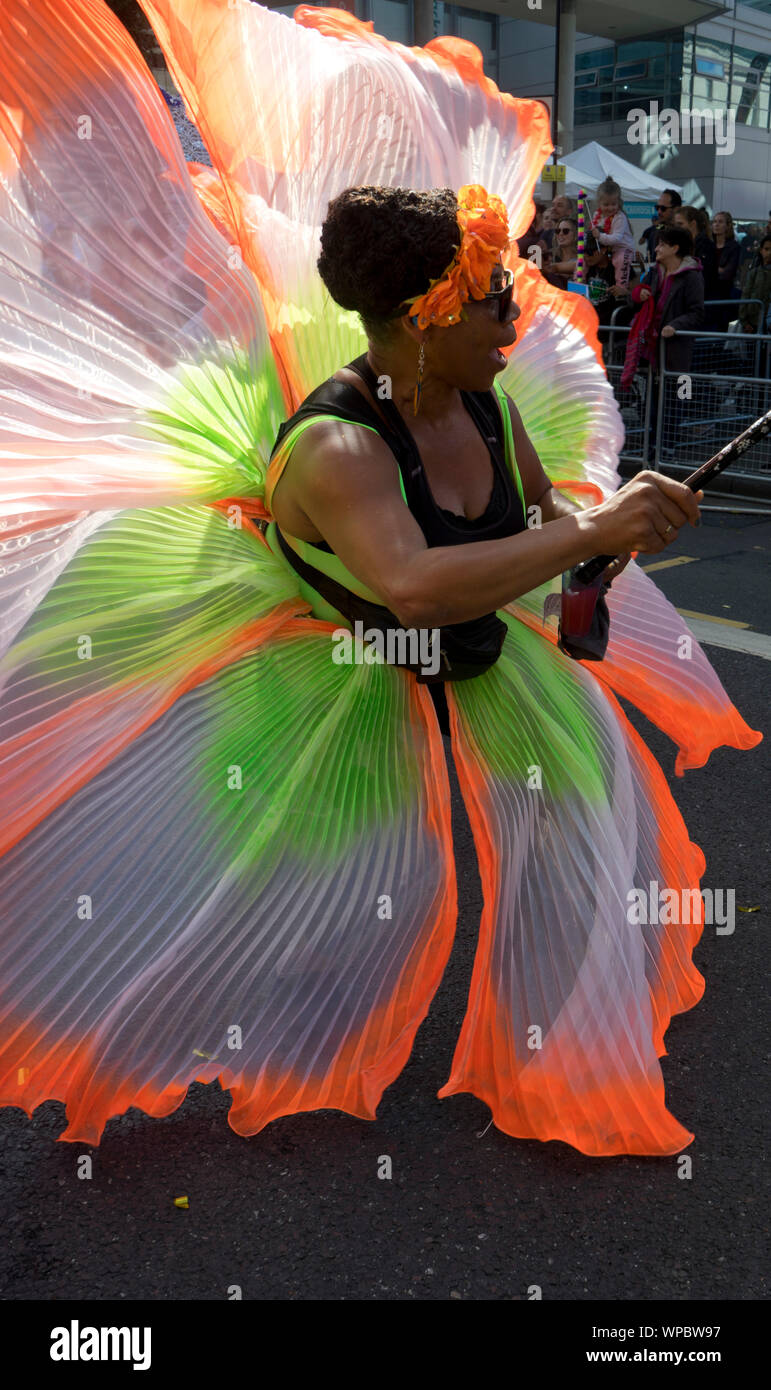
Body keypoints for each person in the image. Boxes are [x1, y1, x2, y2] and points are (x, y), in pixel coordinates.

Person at [0, 0, 761, 1160]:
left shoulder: (492, 408)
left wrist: (624, 524)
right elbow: (410, 589)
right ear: (418, 324)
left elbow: (555, 531)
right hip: (337, 661)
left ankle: (558, 1029)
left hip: (472, 651)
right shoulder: (339, 448)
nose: (520, 311)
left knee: (580, 823)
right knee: (307, 874)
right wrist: (575, 536)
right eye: (494, 299)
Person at [623, 226, 705, 454]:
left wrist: (675, 326)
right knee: (652, 400)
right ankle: (652, 445)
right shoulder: (655, 271)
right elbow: (636, 294)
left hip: (678, 352)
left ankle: (668, 445)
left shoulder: (692, 276)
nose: (656, 248)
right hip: (651, 348)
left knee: (677, 398)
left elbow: (697, 312)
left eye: (661, 244)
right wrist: (637, 294)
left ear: (675, 248)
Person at [591, 177, 636, 291]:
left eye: (613, 204)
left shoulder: (620, 217)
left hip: (623, 249)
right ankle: (579, 280)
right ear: (599, 203)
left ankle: (621, 288)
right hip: (607, 249)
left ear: (619, 202)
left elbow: (616, 238)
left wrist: (599, 236)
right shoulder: (597, 215)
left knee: (619, 260)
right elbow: (594, 229)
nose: (610, 208)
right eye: (606, 204)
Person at [674, 205, 719, 301]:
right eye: (676, 225)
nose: (676, 228)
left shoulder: (706, 246)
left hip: (703, 302)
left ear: (693, 224)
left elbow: (703, 277)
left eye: (680, 224)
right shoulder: (686, 245)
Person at [711, 210, 741, 331]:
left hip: (724, 294)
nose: (716, 225)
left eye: (720, 222)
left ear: (728, 225)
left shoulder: (734, 247)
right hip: (708, 292)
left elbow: (727, 273)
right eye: (715, 222)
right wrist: (717, 269)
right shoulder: (708, 245)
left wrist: (711, 269)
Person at [639, 189, 682, 260]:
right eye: (657, 207)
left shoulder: (683, 232)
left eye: (663, 208)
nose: (659, 212)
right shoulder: (656, 229)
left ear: (676, 209)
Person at [741, 234, 771, 333]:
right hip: (753, 321)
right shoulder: (754, 272)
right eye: (766, 249)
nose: (769, 252)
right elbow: (746, 295)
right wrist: (744, 321)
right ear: (761, 250)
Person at [545, 214, 578, 289]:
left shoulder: (582, 257)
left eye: (565, 231)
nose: (560, 234)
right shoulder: (549, 255)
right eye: (558, 231)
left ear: (576, 234)